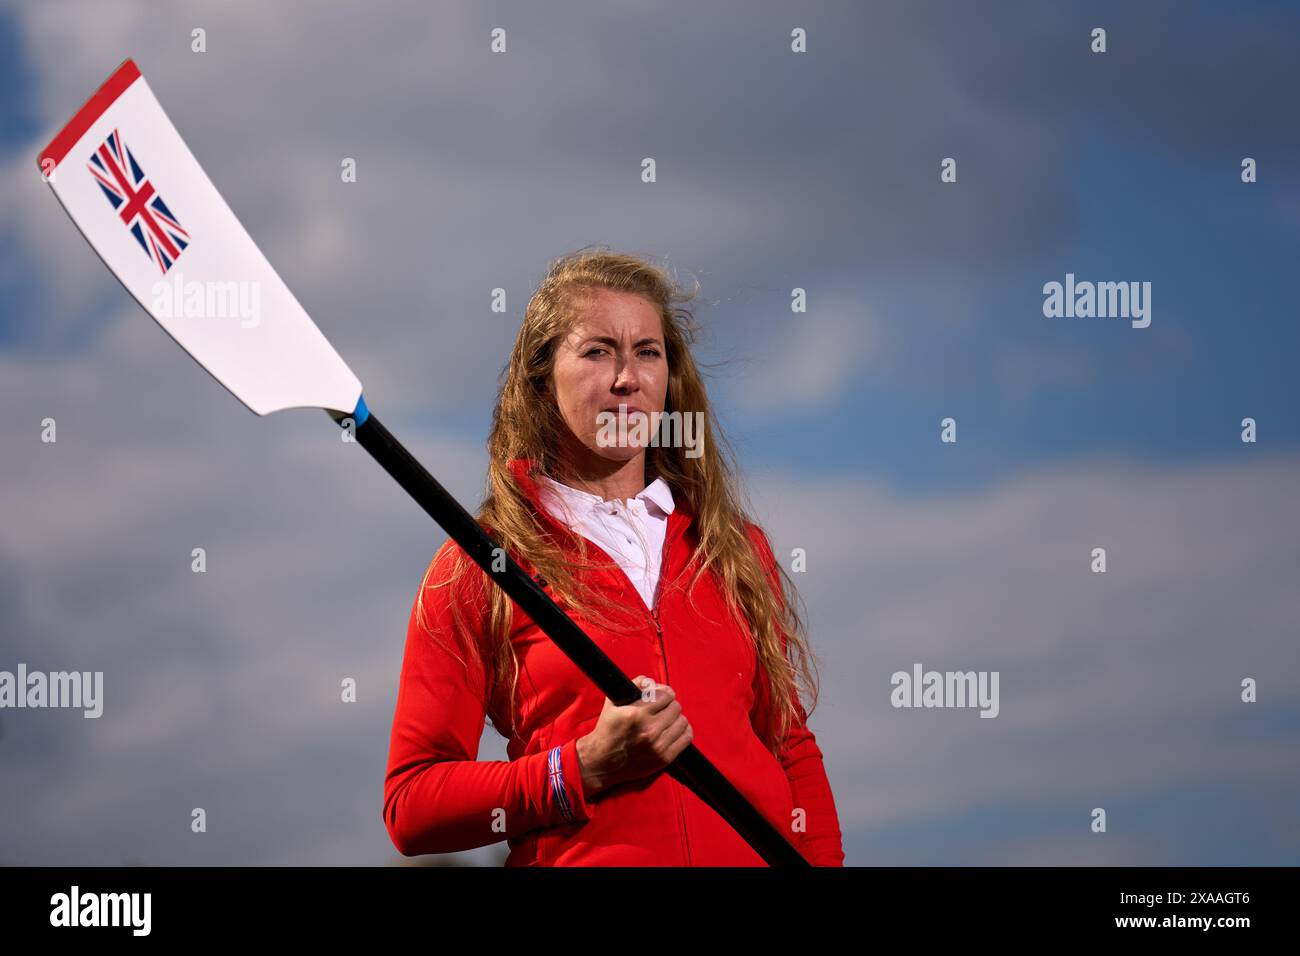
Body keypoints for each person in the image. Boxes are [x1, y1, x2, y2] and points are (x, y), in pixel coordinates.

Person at [382, 248, 845, 866]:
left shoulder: (733, 548)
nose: (627, 377)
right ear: (542, 380)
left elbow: (788, 749)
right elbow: (413, 805)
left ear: (669, 379)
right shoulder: (480, 564)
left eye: (647, 352)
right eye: (598, 351)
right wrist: (579, 769)